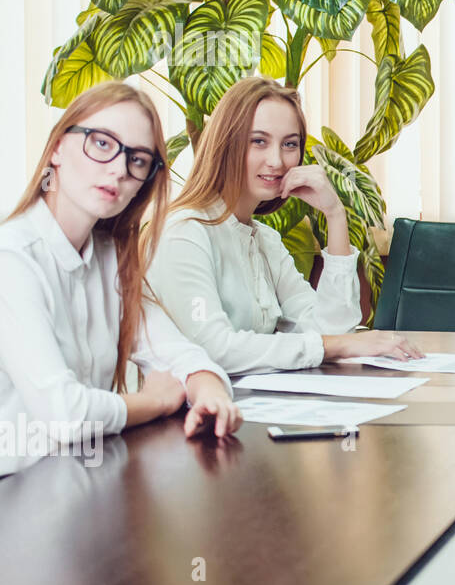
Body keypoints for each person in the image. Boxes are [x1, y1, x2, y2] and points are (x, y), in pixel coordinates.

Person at [0, 82, 240, 476]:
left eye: (139, 160)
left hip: (73, 480)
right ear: (58, 147)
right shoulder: (12, 258)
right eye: (102, 143)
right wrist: (157, 401)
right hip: (14, 493)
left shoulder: (110, 257)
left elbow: (180, 354)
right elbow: (66, 414)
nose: (119, 170)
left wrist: (212, 396)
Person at [149, 76, 421, 376]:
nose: (277, 161)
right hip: (188, 417)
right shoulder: (184, 233)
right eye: (258, 141)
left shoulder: (264, 239)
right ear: (226, 144)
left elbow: (332, 327)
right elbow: (212, 348)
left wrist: (335, 215)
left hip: (251, 408)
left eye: (289, 144)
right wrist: (339, 346)